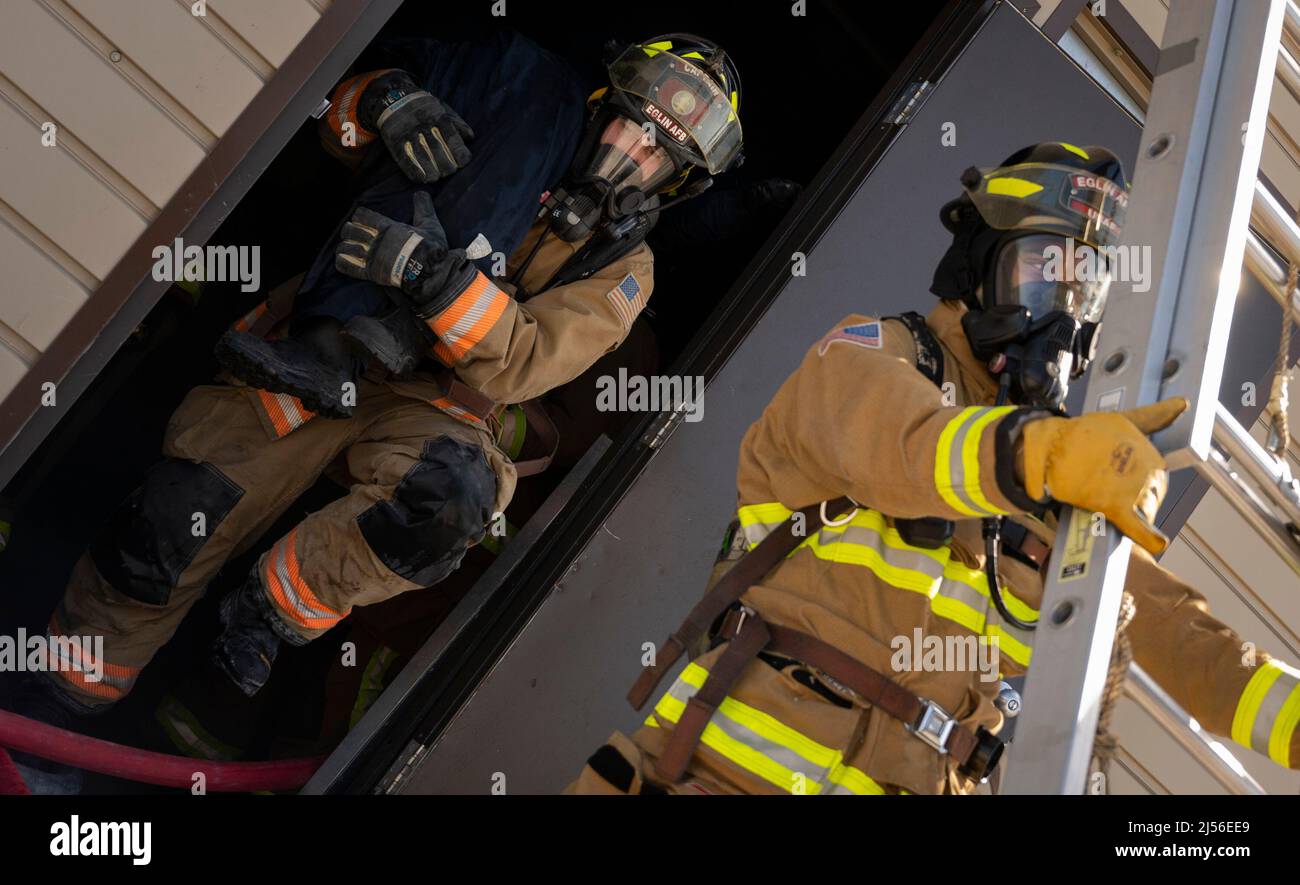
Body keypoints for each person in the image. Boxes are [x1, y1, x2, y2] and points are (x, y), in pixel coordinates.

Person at [6, 33, 746, 790]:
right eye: (632, 124)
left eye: (659, 153)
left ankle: (267, 614)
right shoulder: (519, 111)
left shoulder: (626, 268)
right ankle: (52, 716)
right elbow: (336, 123)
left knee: (451, 498)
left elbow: (525, 361)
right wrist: (386, 101)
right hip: (327, 351)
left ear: (677, 184)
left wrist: (432, 278)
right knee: (175, 515)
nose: (633, 152)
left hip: (435, 405)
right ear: (602, 107)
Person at [569, 143, 1300, 795]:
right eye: (1045, 273)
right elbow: (906, 443)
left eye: (1087, 292)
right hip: (711, 773)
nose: (1064, 315)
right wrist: (1035, 454)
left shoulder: (1055, 478)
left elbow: (1174, 633)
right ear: (980, 265)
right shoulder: (871, 356)